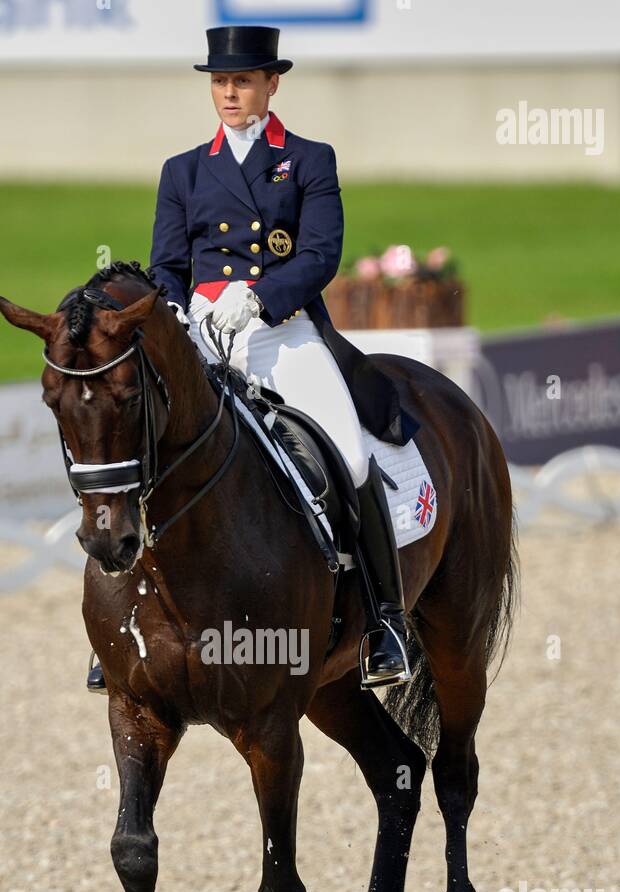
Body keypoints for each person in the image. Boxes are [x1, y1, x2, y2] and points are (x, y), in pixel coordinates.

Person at [88, 24, 413, 692]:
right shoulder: (182, 170)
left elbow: (320, 255)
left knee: (349, 456)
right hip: (202, 333)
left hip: (280, 329)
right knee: (139, 450)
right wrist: (176, 312)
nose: (228, 93)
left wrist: (260, 299)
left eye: (240, 81)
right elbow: (166, 265)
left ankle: (384, 623)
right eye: (219, 82)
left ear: (271, 83)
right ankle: (121, 627)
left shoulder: (307, 159)